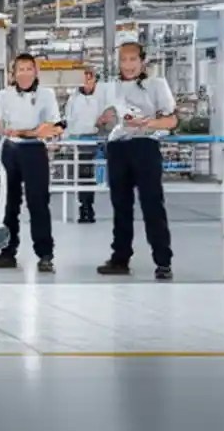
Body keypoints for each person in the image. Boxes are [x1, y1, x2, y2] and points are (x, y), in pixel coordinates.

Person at [97, 41, 177, 280]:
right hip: (118, 147)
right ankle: (120, 258)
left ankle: (163, 261)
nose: (128, 65)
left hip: (145, 145)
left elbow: (171, 121)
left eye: (133, 59)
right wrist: (104, 119)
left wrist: (148, 124)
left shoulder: (156, 85)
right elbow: (103, 121)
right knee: (121, 206)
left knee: (152, 204)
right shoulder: (111, 88)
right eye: (124, 60)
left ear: (142, 61)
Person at [0, 53, 63, 273]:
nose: (25, 73)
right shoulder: (4, 95)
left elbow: (52, 126)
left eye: (29, 69)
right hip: (10, 151)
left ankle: (45, 254)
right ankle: (7, 252)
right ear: (14, 73)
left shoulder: (46, 95)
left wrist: (25, 132)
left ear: (35, 71)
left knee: (38, 203)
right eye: (21, 69)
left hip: (35, 152)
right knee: (9, 204)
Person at [63, 67, 107, 223]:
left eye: (90, 78)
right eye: (84, 79)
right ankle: (85, 207)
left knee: (89, 176)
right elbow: (69, 120)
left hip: (94, 141)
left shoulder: (101, 98)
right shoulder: (74, 99)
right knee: (83, 176)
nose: (87, 82)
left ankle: (88, 206)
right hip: (78, 143)